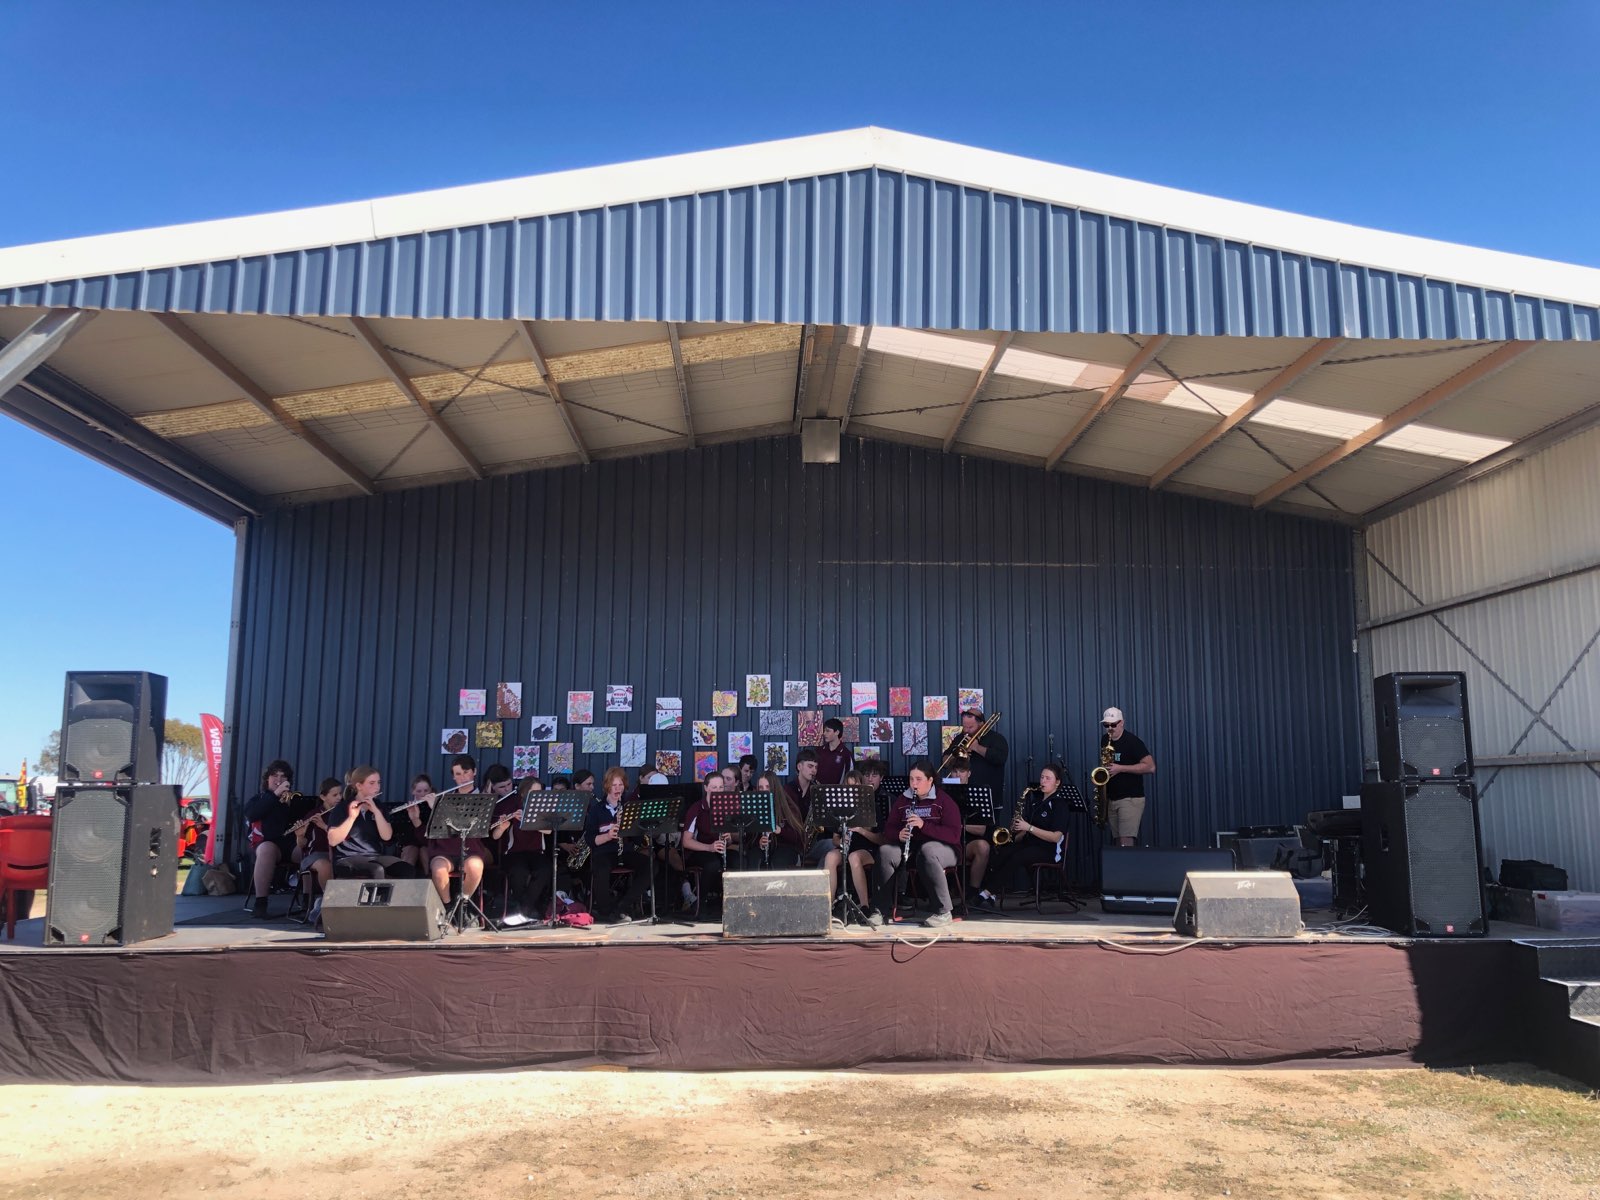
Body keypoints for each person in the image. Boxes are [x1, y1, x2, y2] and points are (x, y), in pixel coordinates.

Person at [868, 759, 963, 929]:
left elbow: (954, 835)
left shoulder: (943, 801)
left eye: (918, 779)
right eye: (911, 779)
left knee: (928, 850)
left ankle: (943, 912)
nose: (914, 784)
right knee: (885, 852)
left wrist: (924, 826)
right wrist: (898, 834)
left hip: (945, 849)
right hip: (912, 849)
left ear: (930, 780)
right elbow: (888, 829)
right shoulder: (903, 800)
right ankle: (879, 911)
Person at [970, 763, 1069, 910]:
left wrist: (1028, 827)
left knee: (1018, 856)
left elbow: (1055, 837)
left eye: (1048, 778)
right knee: (1002, 851)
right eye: (1042, 777)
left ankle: (985, 893)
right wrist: (1017, 831)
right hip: (1031, 844)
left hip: (1049, 850)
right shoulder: (1036, 802)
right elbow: (1025, 831)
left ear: (1057, 782)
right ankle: (991, 893)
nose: (1043, 781)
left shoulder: (1060, 804)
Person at [242, 760, 314, 918]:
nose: (279, 779)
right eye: (274, 775)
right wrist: (275, 795)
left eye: (283, 776)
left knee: (309, 850)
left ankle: (308, 902)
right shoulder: (259, 799)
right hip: (267, 844)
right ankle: (261, 902)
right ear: (267, 779)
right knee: (267, 850)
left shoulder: (294, 800)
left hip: (291, 843)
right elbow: (252, 814)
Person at [425, 754, 492, 913]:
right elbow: (436, 830)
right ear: (453, 777)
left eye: (466, 772)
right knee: (439, 869)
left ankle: (463, 904)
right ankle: (448, 908)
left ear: (474, 772)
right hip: (446, 850)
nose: (462, 778)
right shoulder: (444, 799)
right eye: (458, 774)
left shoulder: (483, 799)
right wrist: (434, 808)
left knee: (475, 867)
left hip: (471, 850)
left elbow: (482, 829)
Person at [583, 766, 649, 924]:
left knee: (651, 866)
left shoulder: (628, 807)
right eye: (614, 785)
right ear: (607, 787)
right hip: (604, 852)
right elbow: (590, 840)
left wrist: (628, 827)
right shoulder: (596, 810)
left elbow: (638, 841)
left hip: (624, 851)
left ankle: (623, 906)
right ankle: (605, 910)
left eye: (620, 785)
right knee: (601, 869)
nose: (618, 789)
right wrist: (608, 835)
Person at [328, 765, 412, 880]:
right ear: (359, 786)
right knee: (377, 870)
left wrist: (377, 812)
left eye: (378, 782)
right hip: (347, 858)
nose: (377, 787)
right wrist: (352, 818)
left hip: (374, 856)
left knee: (406, 869)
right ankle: (378, 898)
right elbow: (333, 841)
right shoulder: (342, 808)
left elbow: (387, 836)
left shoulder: (379, 807)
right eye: (372, 783)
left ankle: (394, 898)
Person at [492, 776, 556, 926]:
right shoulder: (513, 807)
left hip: (536, 852)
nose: (537, 796)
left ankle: (523, 911)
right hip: (515, 853)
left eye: (539, 792)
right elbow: (495, 836)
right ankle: (526, 911)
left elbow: (548, 831)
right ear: (524, 793)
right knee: (519, 872)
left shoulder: (544, 808)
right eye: (534, 792)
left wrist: (529, 820)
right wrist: (502, 826)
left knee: (545, 870)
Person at [1101, 707, 1155, 847]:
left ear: (1122, 722)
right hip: (1113, 798)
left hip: (1130, 798)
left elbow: (1150, 767)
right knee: (1118, 841)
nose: (1110, 728)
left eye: (1113, 724)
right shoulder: (1105, 740)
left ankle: (1127, 869)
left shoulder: (1132, 741)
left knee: (1126, 841)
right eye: (1106, 725)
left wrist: (1121, 768)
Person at [291, 777, 344, 920]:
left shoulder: (344, 813)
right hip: (315, 855)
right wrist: (299, 836)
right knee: (325, 866)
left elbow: (345, 839)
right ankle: (330, 904)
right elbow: (302, 846)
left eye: (340, 794)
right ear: (323, 797)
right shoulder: (313, 815)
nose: (339, 797)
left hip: (339, 854)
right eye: (335, 795)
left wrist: (325, 827)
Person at [678, 773, 727, 914]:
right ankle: (702, 903)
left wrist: (729, 837)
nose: (717, 791)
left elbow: (733, 837)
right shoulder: (697, 808)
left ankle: (731, 904)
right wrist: (709, 847)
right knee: (712, 865)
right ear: (706, 788)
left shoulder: (728, 805)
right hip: (699, 850)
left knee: (738, 862)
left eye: (720, 787)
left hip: (720, 849)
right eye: (714, 787)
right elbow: (686, 841)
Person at [844, 759, 889, 911]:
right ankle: (828, 905)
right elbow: (835, 837)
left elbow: (882, 839)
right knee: (830, 856)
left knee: (853, 857)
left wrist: (861, 830)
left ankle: (864, 906)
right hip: (849, 847)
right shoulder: (844, 805)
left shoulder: (877, 804)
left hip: (869, 849)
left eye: (874, 775)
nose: (870, 779)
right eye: (867, 775)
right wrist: (841, 839)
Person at [756, 770, 805, 869]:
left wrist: (780, 830)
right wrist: (759, 842)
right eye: (761, 788)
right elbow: (748, 836)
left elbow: (798, 837)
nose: (764, 791)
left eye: (768, 787)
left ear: (775, 788)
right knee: (755, 861)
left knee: (778, 863)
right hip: (766, 847)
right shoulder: (755, 806)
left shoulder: (787, 806)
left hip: (786, 848)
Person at [958, 709, 1008, 803]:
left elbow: (1000, 758)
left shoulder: (997, 738)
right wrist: (962, 754)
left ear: (981, 724)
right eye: (964, 726)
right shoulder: (960, 738)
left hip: (990, 796)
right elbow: (945, 760)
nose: (966, 730)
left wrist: (976, 747)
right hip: (963, 795)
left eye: (970, 727)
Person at [816, 718, 853, 785]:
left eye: (828, 731)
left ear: (837, 732)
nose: (824, 733)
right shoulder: (819, 751)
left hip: (838, 793)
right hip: (819, 792)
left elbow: (850, 777)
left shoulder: (846, 754)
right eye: (824, 731)